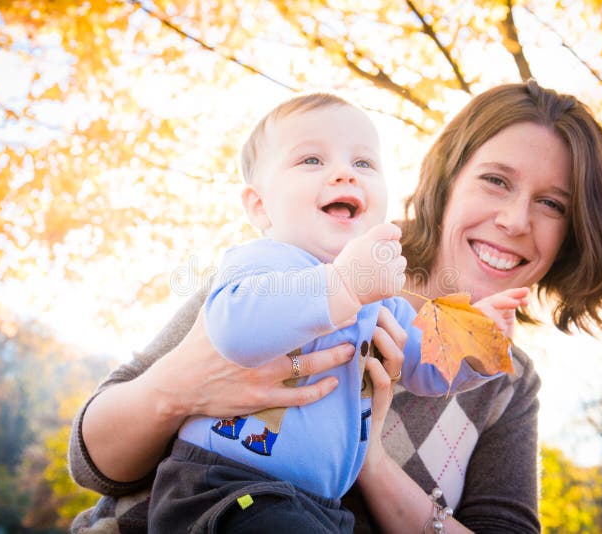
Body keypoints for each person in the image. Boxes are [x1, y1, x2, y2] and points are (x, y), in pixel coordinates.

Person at [68, 80, 602, 533]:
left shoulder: (507, 384)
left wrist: (369, 457)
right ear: (447, 178)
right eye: (495, 180)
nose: (516, 220)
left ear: (575, 232)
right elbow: (91, 462)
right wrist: (181, 388)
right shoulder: (297, 264)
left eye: (551, 204)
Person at [147, 93, 526, 533]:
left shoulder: (383, 299)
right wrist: (341, 286)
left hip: (319, 503)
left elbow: (427, 369)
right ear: (259, 206)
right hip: (222, 484)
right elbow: (234, 331)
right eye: (311, 160)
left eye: (364, 163)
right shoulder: (262, 263)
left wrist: (477, 343)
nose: (344, 172)